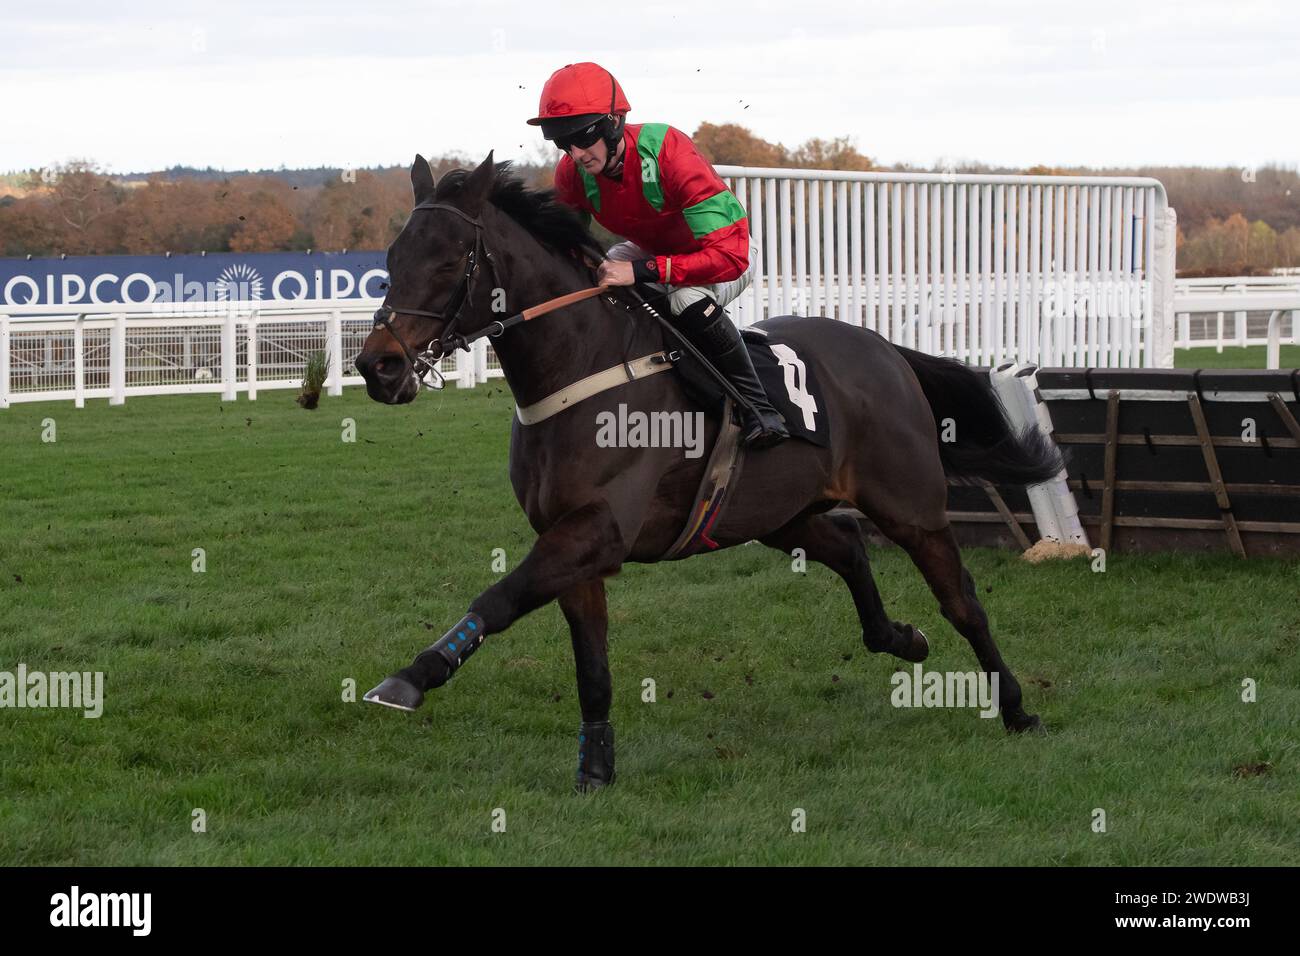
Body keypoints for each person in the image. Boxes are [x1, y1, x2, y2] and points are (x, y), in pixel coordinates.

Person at [527, 62, 788, 448]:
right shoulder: (572, 173)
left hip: (723, 251)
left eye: (582, 139)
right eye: (563, 143)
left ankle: (758, 409)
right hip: (654, 250)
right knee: (603, 274)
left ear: (613, 122)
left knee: (685, 299)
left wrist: (643, 270)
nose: (575, 154)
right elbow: (566, 245)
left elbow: (729, 258)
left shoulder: (668, 151)